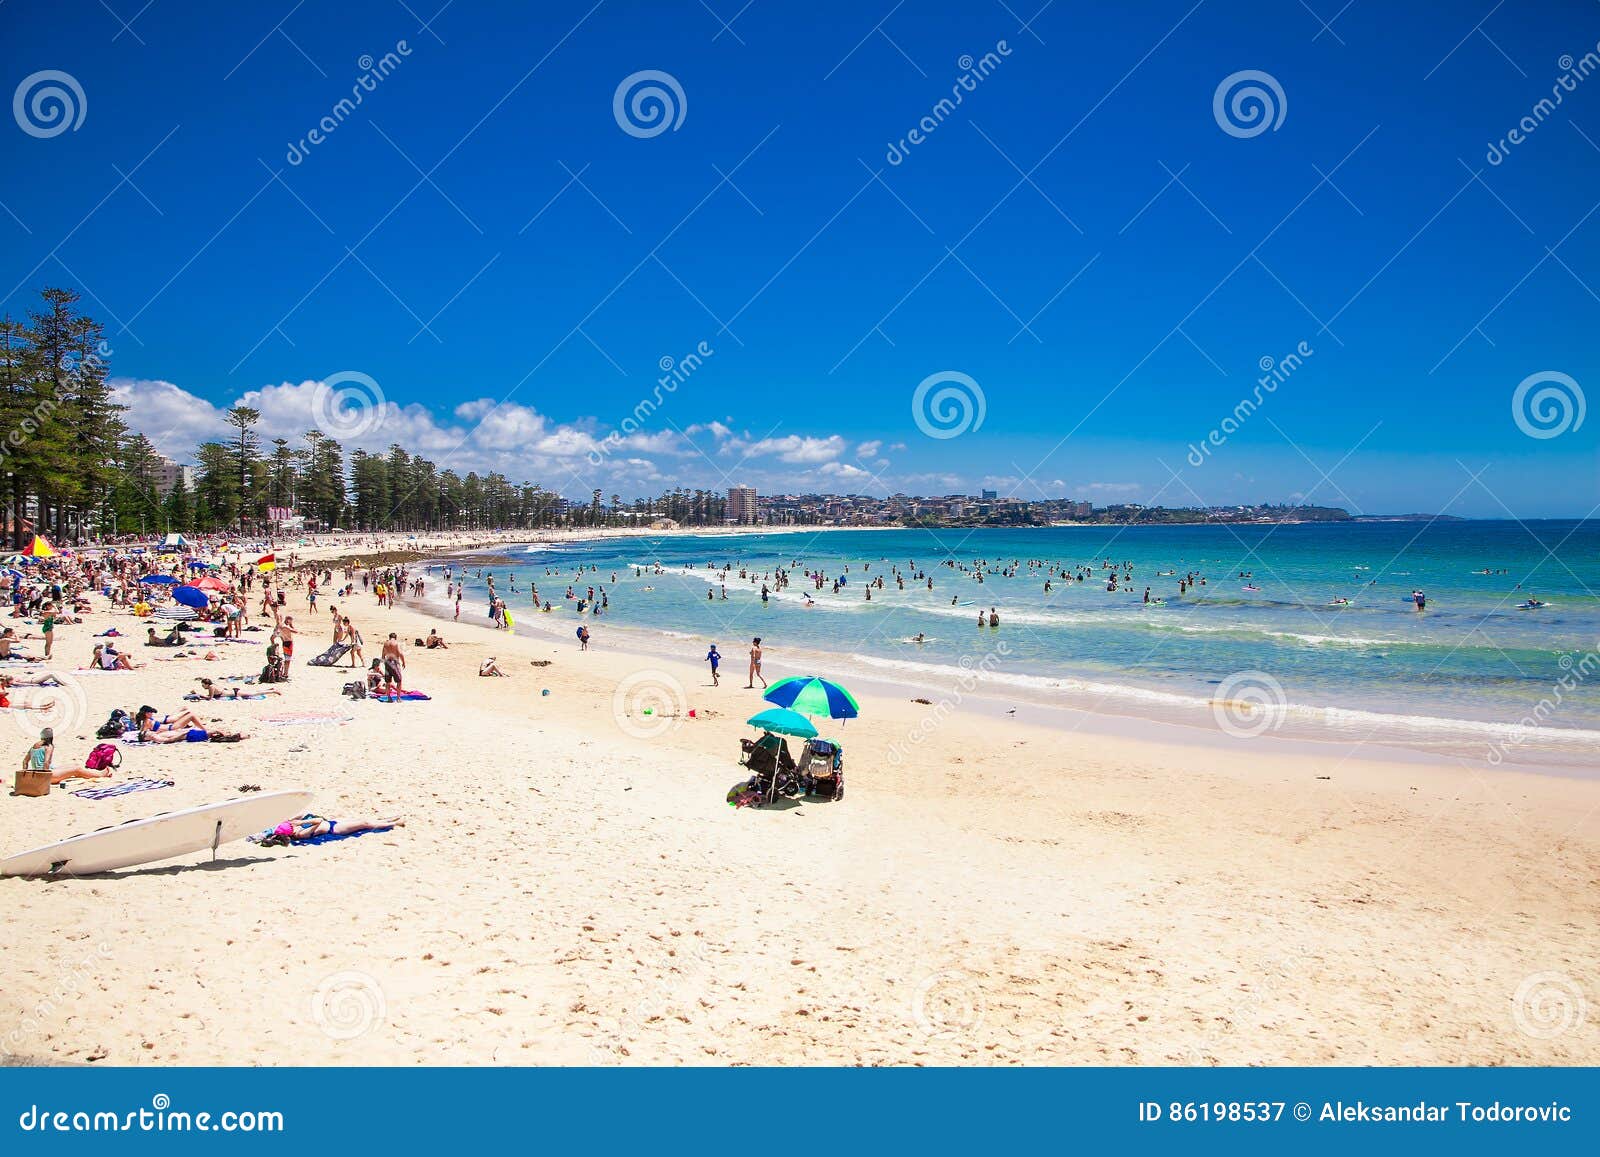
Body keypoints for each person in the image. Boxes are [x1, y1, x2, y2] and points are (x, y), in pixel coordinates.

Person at [22, 728, 111, 784]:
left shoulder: (34, 746)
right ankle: (100, 775)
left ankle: (90, 774)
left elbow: (25, 761)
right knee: (77, 770)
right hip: (47, 776)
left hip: (36, 774)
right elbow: (46, 761)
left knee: (74, 765)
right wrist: (44, 778)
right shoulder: (48, 746)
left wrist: (24, 775)